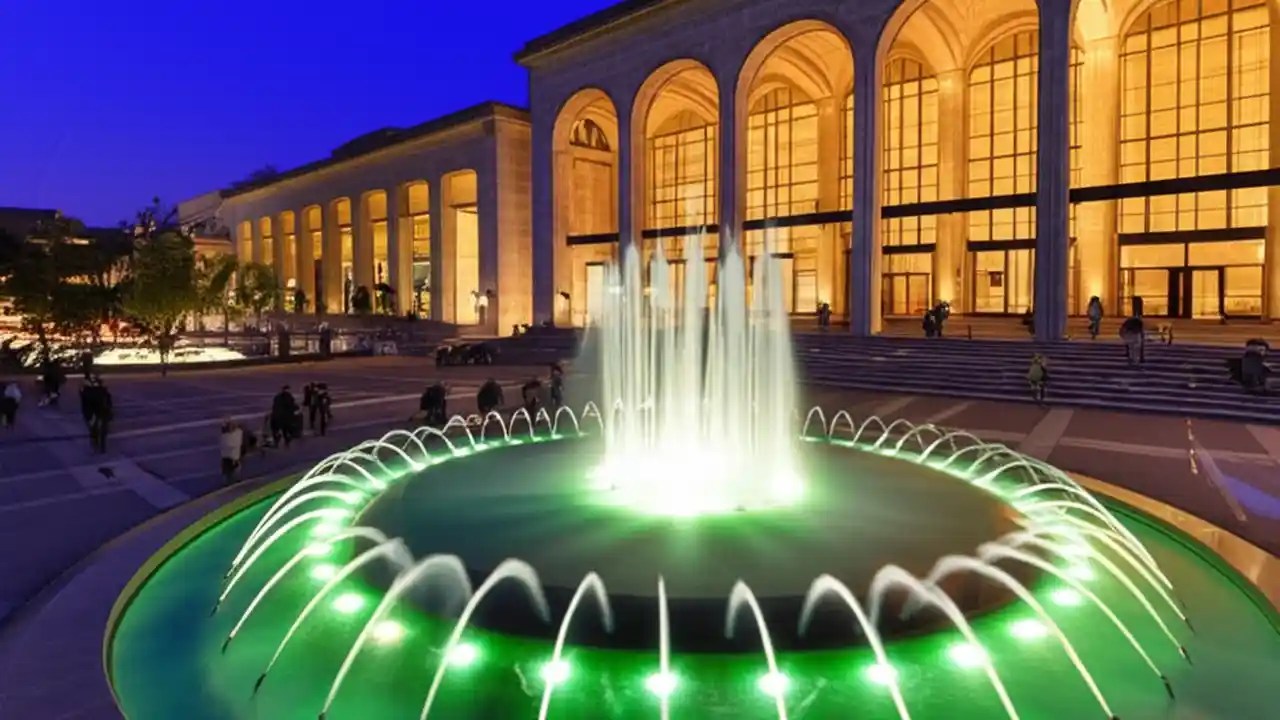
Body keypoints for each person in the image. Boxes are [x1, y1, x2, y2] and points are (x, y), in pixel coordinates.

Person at [220, 419, 244, 484]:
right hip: (232, 458)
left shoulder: (224, 436)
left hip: (229, 458)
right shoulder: (238, 434)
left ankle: (229, 481)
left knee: (229, 475)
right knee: (233, 475)